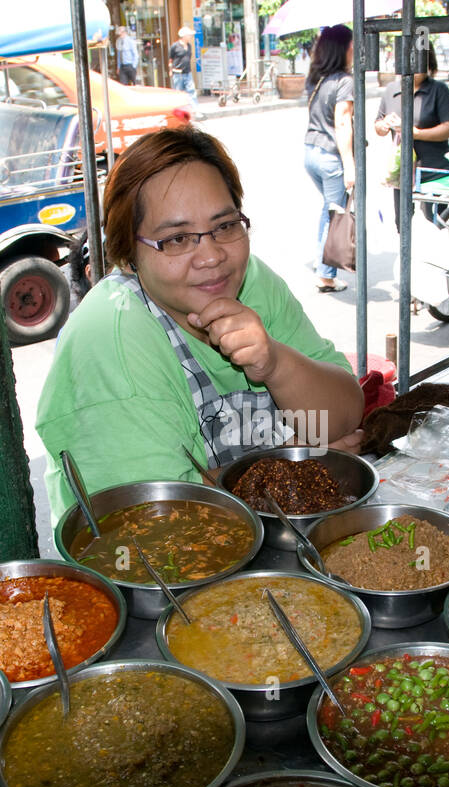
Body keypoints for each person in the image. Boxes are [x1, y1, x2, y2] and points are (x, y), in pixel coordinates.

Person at [35, 127, 365, 519]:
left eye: (225, 226)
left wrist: (275, 364)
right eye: (175, 239)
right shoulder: (111, 337)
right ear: (128, 254)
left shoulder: (251, 281)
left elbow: (343, 417)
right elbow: (156, 517)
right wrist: (295, 467)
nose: (211, 256)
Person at [374, 46, 449, 228]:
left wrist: (417, 133)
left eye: (419, 64)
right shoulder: (391, 90)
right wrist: (384, 124)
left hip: (434, 169)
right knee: (402, 224)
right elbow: (378, 126)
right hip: (402, 170)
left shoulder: (438, 90)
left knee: (433, 223)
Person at [303, 24, 356, 294]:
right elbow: (343, 123)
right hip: (330, 157)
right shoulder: (345, 81)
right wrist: (350, 165)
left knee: (327, 209)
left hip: (310, 152)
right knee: (335, 214)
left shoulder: (317, 78)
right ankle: (325, 276)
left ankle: (319, 260)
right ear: (345, 48)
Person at [170, 27, 197, 104]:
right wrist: (171, 70)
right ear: (184, 36)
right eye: (189, 35)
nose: (191, 37)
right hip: (178, 73)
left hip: (188, 72)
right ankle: (180, 110)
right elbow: (171, 59)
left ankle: (195, 110)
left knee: (191, 91)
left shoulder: (189, 46)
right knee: (179, 93)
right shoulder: (175, 46)